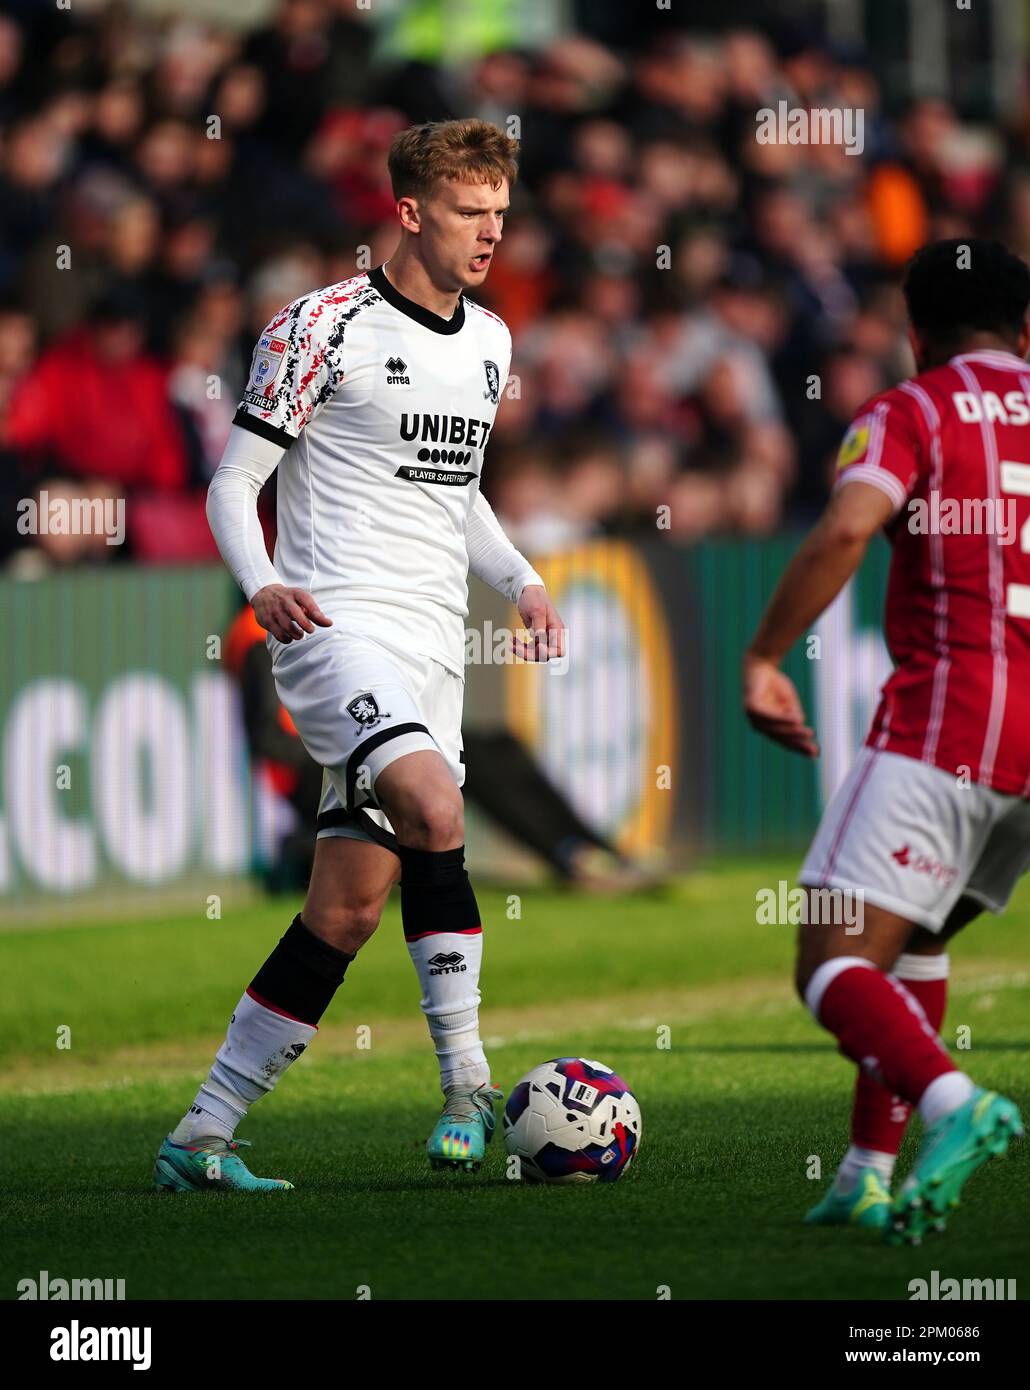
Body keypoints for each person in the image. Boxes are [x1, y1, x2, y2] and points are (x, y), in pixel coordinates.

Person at [154, 118, 565, 1192]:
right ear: (410, 209)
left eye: (501, 214)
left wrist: (517, 576)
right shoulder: (316, 325)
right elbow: (231, 483)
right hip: (334, 630)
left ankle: (201, 1133)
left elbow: (456, 487)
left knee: (345, 907)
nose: (490, 234)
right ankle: (469, 1085)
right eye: (471, 212)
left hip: (432, 645)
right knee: (435, 807)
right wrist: (263, 586)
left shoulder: (490, 340)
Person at [743, 238, 1028, 1245]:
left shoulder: (912, 409)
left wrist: (764, 655)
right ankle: (863, 1173)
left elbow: (842, 531)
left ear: (915, 334)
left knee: (829, 955)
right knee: (918, 935)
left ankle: (958, 1105)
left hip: (951, 720)